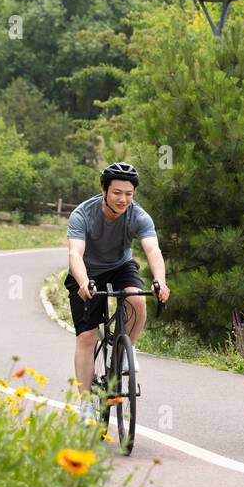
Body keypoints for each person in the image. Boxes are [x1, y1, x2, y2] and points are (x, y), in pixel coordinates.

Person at [64, 161, 170, 422]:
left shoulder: (139, 216)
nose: (123, 199)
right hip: (86, 273)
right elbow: (74, 253)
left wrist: (160, 281)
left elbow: (153, 250)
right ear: (104, 190)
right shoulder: (82, 214)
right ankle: (86, 402)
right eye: (117, 193)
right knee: (88, 338)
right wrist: (83, 281)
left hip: (121, 267)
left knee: (137, 300)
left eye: (129, 194)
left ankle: (127, 349)